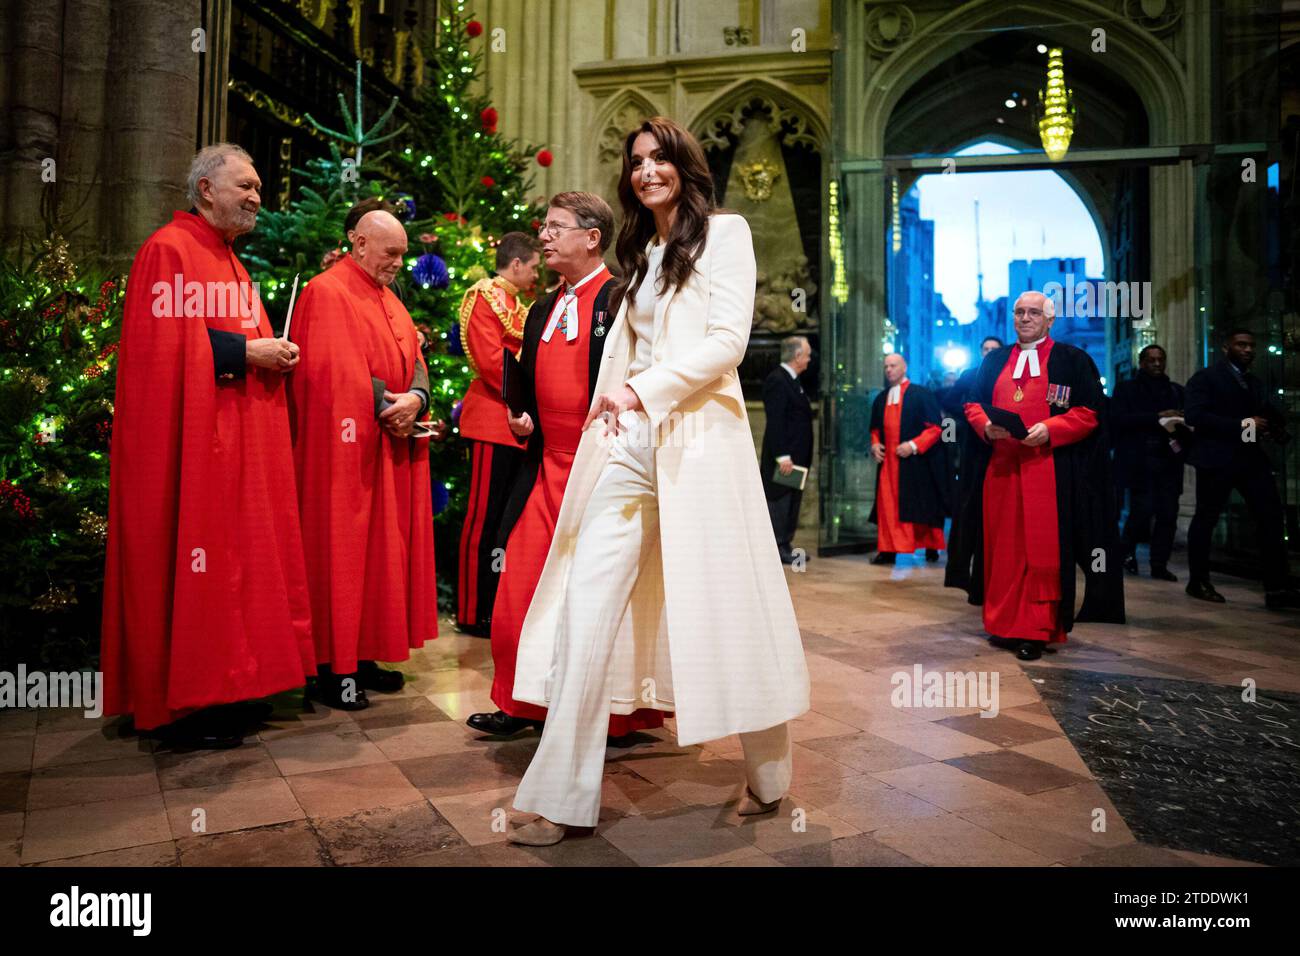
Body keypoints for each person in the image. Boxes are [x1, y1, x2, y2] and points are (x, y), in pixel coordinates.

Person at [506, 117, 810, 846]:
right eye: (636, 162)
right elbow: (626, 355)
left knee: (728, 609)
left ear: (684, 165)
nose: (646, 171)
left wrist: (645, 392)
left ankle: (769, 773)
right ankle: (561, 797)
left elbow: (727, 343)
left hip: (702, 445)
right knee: (586, 607)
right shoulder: (639, 252)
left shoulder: (726, 234)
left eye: (659, 159)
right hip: (631, 444)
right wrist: (611, 415)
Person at [100, 144, 314, 748]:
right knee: (200, 563)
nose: (256, 197)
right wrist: (249, 352)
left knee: (234, 568)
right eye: (244, 185)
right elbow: (160, 350)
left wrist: (270, 352)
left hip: (233, 444)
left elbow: (220, 338)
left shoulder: (226, 257)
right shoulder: (170, 250)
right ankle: (188, 702)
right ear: (204, 191)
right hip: (191, 447)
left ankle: (232, 686)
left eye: (258, 187)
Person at [467, 193, 665, 742]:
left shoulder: (622, 300)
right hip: (545, 468)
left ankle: (612, 715)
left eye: (557, 228)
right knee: (519, 588)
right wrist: (523, 416)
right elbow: (528, 382)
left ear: (592, 237)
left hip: (600, 469)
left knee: (593, 597)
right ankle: (519, 703)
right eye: (544, 228)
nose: (545, 237)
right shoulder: (539, 309)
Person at [955, 291, 1124, 661]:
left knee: (1039, 552)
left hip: (1047, 471)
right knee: (1002, 549)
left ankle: (1036, 628)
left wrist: (1051, 428)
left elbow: (1090, 412)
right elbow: (972, 403)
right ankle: (1002, 624)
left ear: (1050, 320)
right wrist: (986, 427)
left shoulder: (1071, 360)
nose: (1025, 318)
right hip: (1000, 472)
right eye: (1019, 312)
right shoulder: (995, 359)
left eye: (1034, 313)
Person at [455, 232, 540, 636]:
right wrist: (523, 395)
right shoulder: (484, 296)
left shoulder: (517, 304)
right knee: (482, 521)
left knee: (504, 521)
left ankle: (493, 606)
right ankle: (472, 611)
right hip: (492, 419)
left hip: (515, 423)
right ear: (518, 264)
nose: (537, 275)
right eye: (534, 267)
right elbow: (492, 361)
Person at [1184, 329, 1300, 607]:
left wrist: (1273, 428)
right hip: (1216, 459)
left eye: (1251, 345)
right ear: (1227, 348)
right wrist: (1243, 424)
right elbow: (1195, 415)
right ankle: (1198, 581)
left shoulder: (1254, 382)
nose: (1248, 350)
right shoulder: (1207, 377)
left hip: (1250, 459)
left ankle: (1277, 588)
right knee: (1206, 520)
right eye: (1241, 344)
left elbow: (1263, 414)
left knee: (1271, 518)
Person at [1110, 344, 1187, 581]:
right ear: (1142, 362)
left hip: (1169, 460)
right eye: (1151, 359)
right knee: (1141, 511)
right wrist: (1157, 418)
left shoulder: (1176, 390)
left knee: (1168, 513)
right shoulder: (1127, 389)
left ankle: (1159, 563)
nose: (1156, 364)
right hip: (1139, 460)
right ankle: (1127, 551)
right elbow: (1119, 419)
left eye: (1160, 359)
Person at [869, 354, 948, 565]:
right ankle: (887, 550)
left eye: (893, 365)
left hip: (916, 463)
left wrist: (913, 445)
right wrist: (875, 445)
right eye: (886, 366)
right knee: (887, 508)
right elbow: (875, 429)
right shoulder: (881, 398)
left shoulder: (921, 394)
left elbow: (935, 428)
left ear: (904, 367)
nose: (889, 370)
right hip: (889, 465)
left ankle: (931, 547)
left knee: (921, 506)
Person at [943, 336, 1003, 590]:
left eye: (994, 349)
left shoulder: (1008, 371)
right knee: (970, 504)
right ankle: (960, 570)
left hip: (1002, 444)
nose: (989, 352)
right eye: (986, 349)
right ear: (980, 352)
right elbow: (949, 401)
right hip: (975, 445)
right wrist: (970, 416)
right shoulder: (970, 374)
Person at [760, 335, 814, 564]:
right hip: (785, 460)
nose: (810, 360)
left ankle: (786, 543)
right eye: (808, 355)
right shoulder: (778, 380)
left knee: (791, 501)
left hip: (796, 459)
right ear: (797, 356)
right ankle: (777, 545)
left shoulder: (792, 381)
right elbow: (776, 421)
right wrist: (783, 455)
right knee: (780, 502)